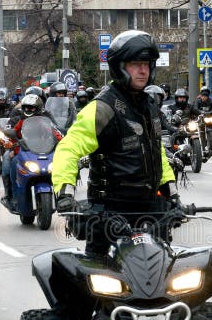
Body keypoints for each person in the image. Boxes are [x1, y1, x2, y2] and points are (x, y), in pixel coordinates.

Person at [51, 30, 178, 256]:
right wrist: (65, 196)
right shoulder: (102, 108)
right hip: (109, 213)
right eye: (135, 64)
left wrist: (171, 194)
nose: (143, 70)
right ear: (119, 66)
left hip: (150, 210)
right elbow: (68, 149)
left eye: (147, 64)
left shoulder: (149, 105)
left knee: (165, 275)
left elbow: (156, 150)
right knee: (96, 282)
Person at [0, 93, 60, 208]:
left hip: (44, 151)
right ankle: (12, 196)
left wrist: (63, 140)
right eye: (26, 107)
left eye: (31, 107)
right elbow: (9, 133)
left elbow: (56, 131)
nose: (28, 110)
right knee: (10, 163)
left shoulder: (46, 119)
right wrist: (9, 144)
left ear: (38, 108)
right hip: (22, 152)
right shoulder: (18, 119)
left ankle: (64, 196)